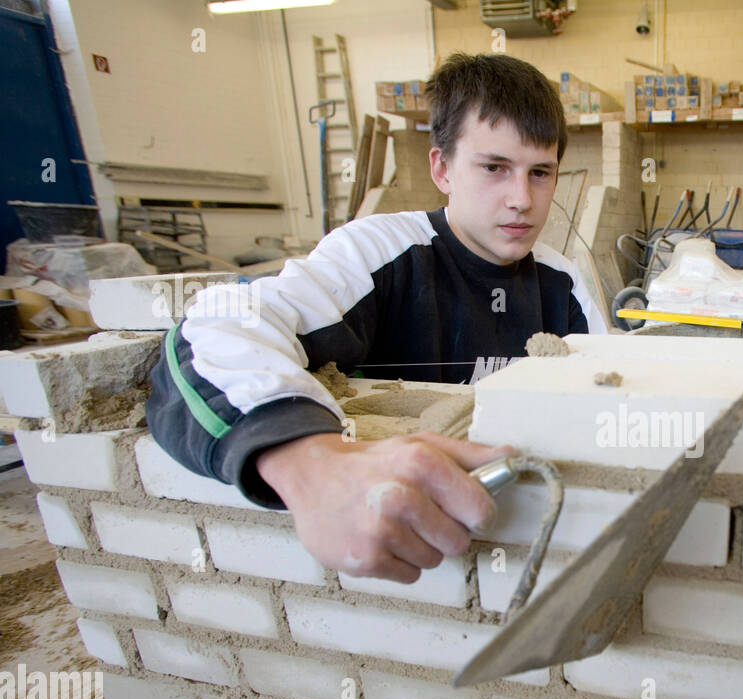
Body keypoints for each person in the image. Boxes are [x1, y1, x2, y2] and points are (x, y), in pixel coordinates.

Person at [145, 53, 601, 584]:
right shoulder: (378, 253)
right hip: (395, 571)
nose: (521, 199)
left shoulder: (564, 282)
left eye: (539, 173)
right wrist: (312, 466)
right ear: (442, 168)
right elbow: (217, 329)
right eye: (494, 167)